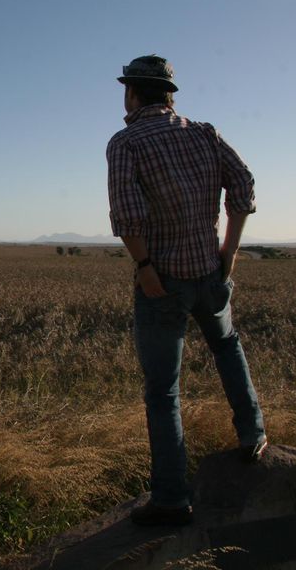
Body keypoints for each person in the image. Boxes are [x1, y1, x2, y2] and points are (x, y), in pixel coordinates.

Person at [106, 55, 267, 526]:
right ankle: (252, 434)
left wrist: (144, 266)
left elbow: (126, 214)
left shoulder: (126, 142)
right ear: (170, 94)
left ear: (133, 93)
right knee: (227, 346)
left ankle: (173, 499)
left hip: (163, 282)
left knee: (162, 392)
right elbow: (244, 186)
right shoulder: (204, 133)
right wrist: (228, 253)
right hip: (210, 274)